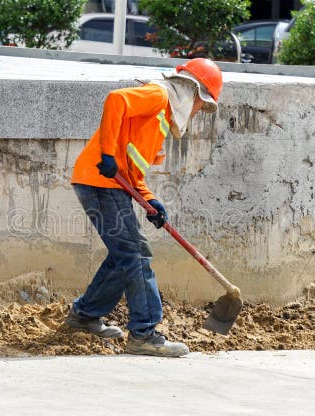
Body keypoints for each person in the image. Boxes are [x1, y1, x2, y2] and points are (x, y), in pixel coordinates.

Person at [66, 58, 223, 357]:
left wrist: (149, 199)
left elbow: (132, 170)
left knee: (124, 254)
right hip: (100, 181)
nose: (198, 112)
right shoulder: (159, 95)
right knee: (136, 253)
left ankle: (85, 315)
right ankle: (144, 333)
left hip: (107, 183)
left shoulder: (161, 117)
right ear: (195, 93)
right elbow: (116, 100)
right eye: (202, 106)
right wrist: (107, 154)